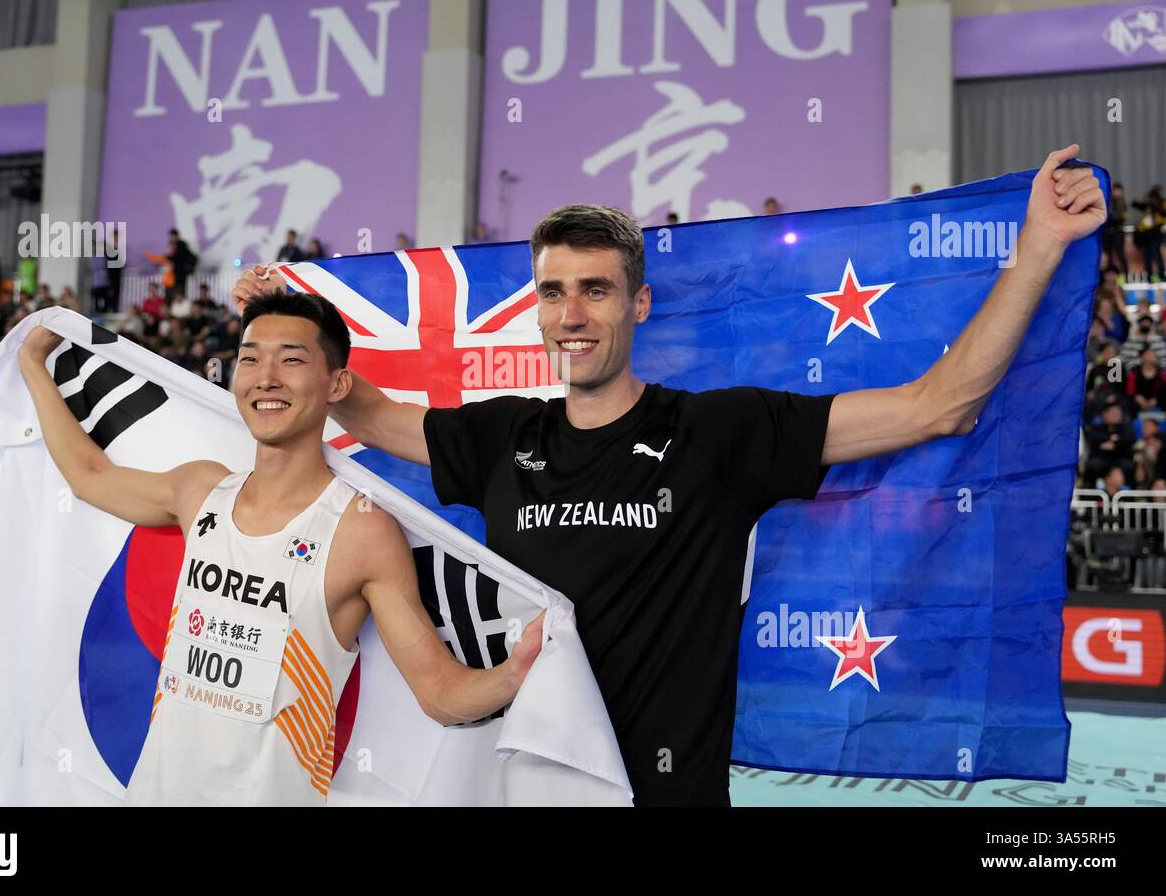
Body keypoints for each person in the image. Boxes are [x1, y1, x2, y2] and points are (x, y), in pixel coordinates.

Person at [232, 143, 1106, 806]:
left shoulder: (719, 433)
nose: (572, 314)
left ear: (639, 303)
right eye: (552, 292)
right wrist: (289, 322)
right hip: (528, 789)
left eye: (596, 290)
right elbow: (367, 412)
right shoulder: (501, 438)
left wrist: (1039, 245)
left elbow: (937, 406)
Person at [15, 290, 544, 805]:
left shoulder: (361, 532)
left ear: (337, 384)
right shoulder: (200, 491)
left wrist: (514, 672)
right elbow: (89, 477)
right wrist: (32, 366)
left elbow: (439, 693)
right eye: (250, 359)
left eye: (291, 360)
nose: (265, 377)